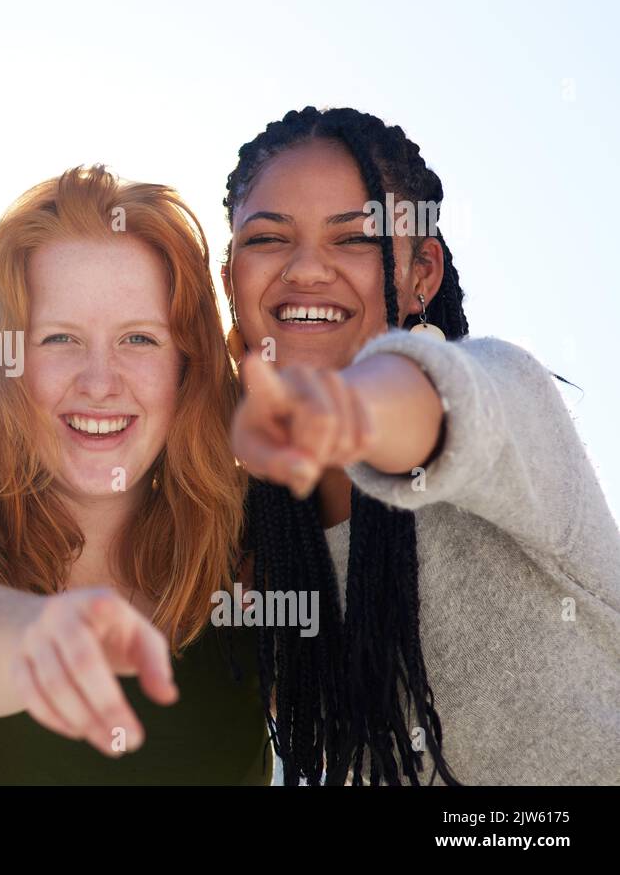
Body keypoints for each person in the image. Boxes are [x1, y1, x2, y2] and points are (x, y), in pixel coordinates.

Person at [222, 105, 620, 785]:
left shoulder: (508, 397)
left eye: (352, 239)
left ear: (422, 274)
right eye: (268, 239)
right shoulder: (250, 540)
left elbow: (435, 400)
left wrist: (346, 407)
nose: (307, 269)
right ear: (231, 276)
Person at [0, 166, 272, 784]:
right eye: (60, 338)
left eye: (139, 340)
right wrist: (33, 639)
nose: (99, 383)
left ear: (187, 369)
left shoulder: (252, 560)